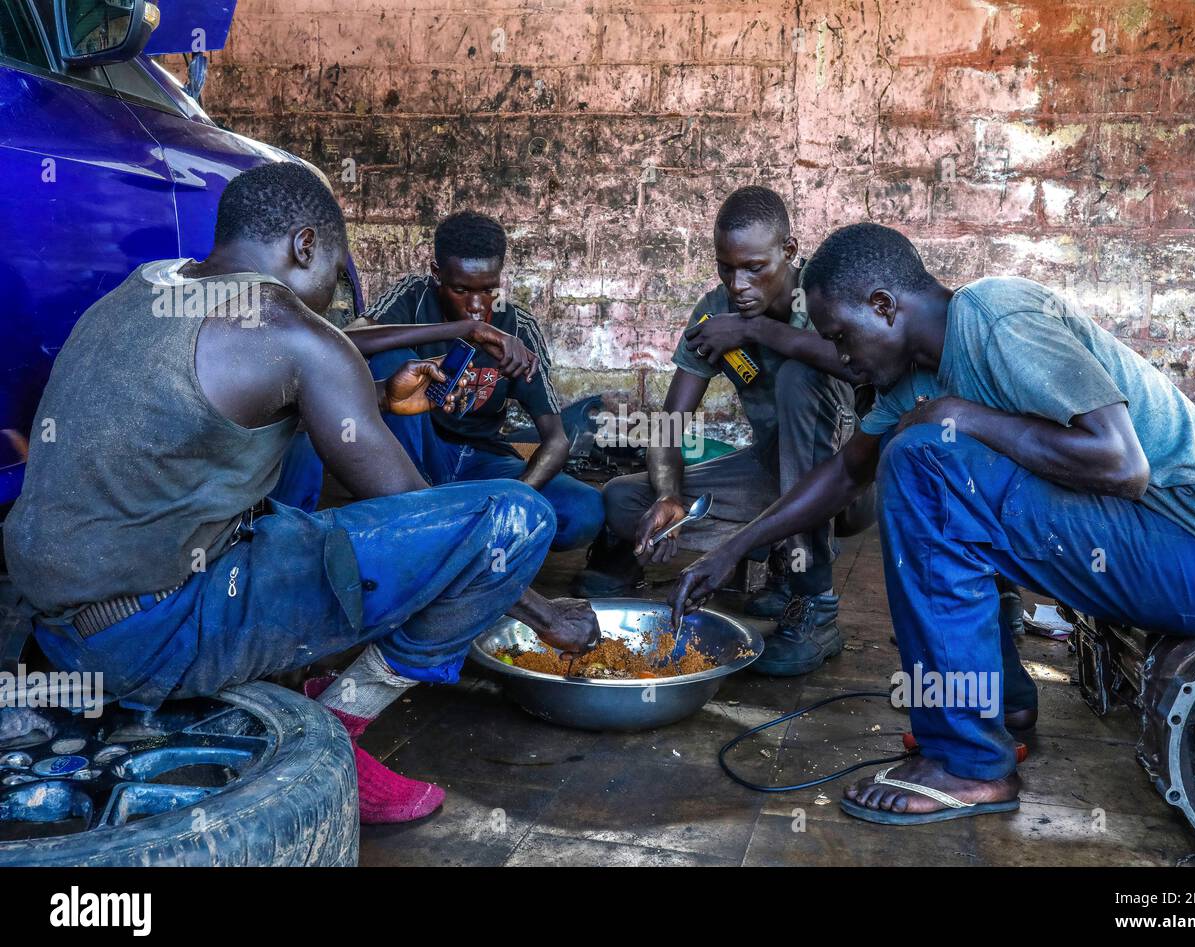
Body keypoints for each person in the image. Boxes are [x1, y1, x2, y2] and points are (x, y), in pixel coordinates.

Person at [3, 163, 599, 825]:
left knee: (285, 494)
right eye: (336, 276)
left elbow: (305, 358)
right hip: (150, 641)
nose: (333, 299)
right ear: (306, 246)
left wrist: (376, 390)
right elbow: (428, 517)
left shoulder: (144, 288)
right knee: (514, 517)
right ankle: (338, 732)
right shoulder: (291, 333)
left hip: (52, 634)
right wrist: (547, 618)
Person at [670, 222, 1195, 825]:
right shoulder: (911, 380)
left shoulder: (998, 317)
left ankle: (967, 763)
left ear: (883, 307)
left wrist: (962, 414)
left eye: (842, 337)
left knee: (923, 461)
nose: (843, 358)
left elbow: (1121, 465)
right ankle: (1003, 706)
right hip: (1156, 554)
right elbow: (846, 473)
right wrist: (733, 548)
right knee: (926, 460)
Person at [573, 186, 862, 677]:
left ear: (788, 252)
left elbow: (859, 368)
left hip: (849, 479)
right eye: (726, 267)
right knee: (625, 500)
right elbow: (668, 424)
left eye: (754, 267)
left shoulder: (825, 293)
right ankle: (778, 553)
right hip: (771, 470)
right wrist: (667, 496)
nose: (738, 283)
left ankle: (816, 605)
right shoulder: (713, 312)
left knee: (799, 377)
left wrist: (754, 331)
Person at [299, 211, 603, 552]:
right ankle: (418, 512)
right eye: (460, 290)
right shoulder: (413, 295)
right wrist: (463, 330)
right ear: (436, 274)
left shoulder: (518, 329)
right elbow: (342, 342)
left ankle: (448, 527)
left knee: (584, 511)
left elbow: (557, 441)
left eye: (488, 290)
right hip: (415, 457)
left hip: (483, 464)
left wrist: (514, 500)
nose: (476, 305)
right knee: (391, 362)